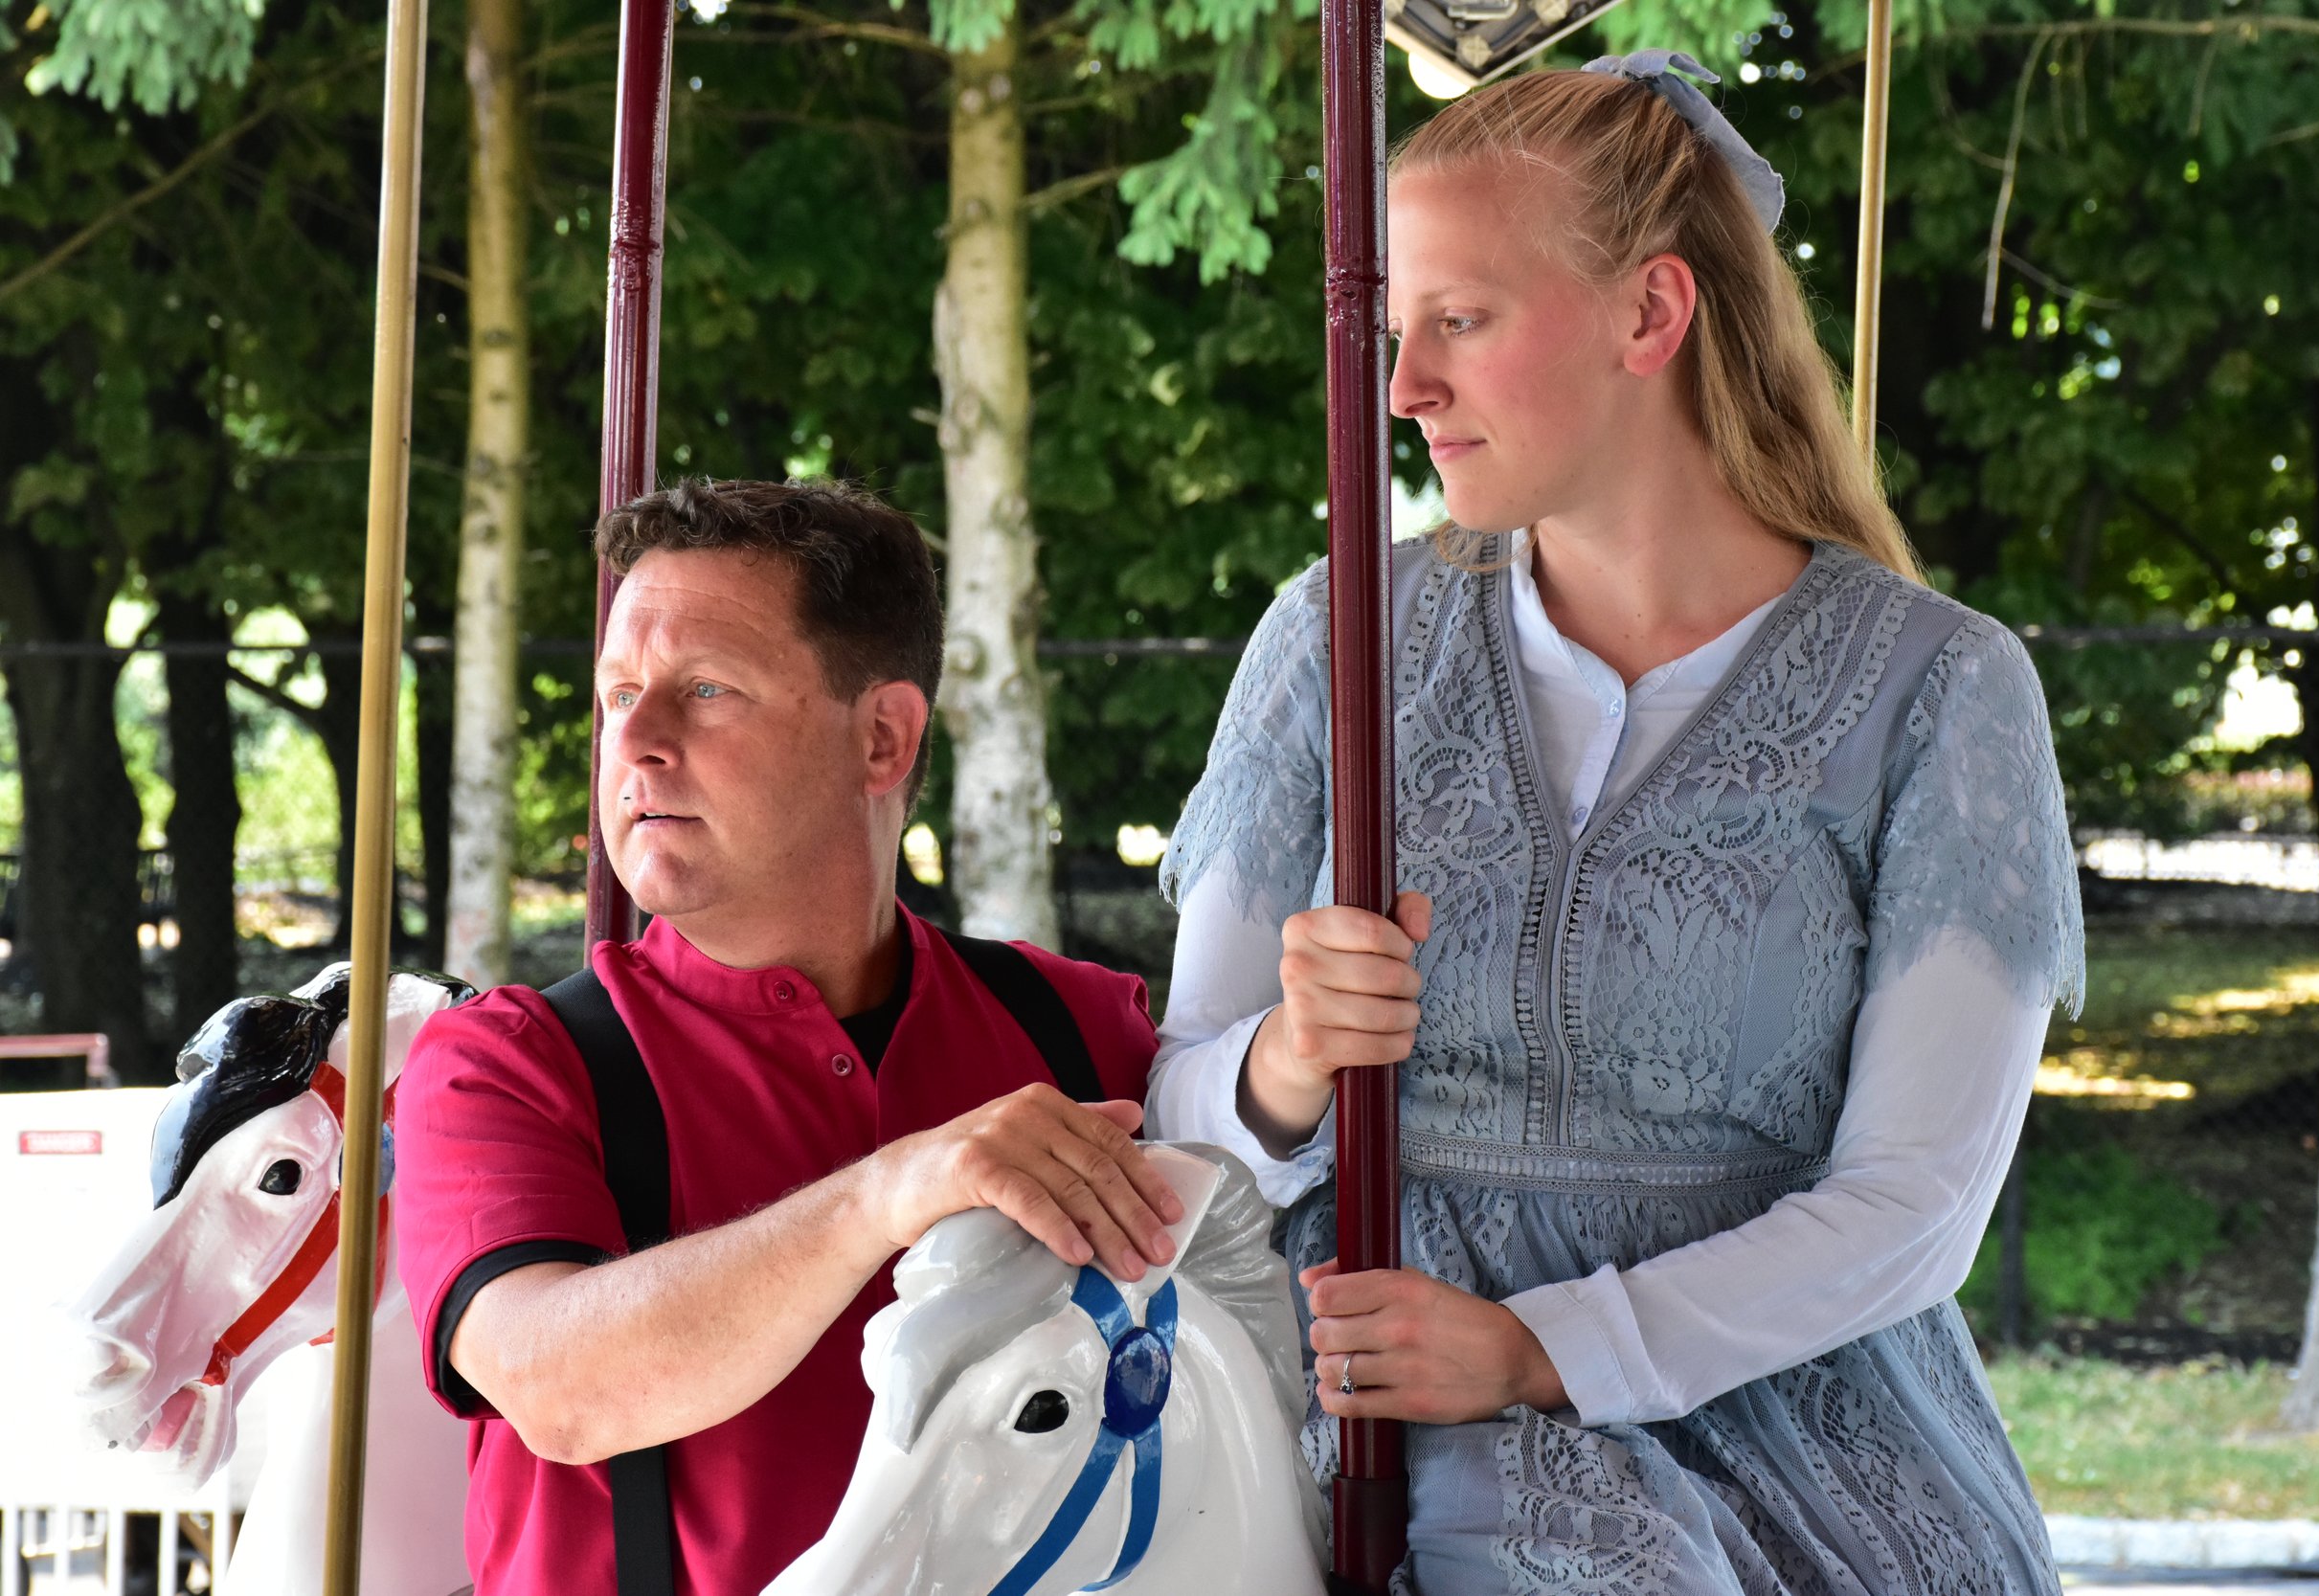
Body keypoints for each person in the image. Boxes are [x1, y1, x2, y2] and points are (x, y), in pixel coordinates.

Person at [1148, 52, 2083, 1596]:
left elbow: (1912, 1208)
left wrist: (1540, 1350)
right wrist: (1282, 1063)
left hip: (1786, 1428)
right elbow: (1180, 1115)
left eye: (1462, 318)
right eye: (1397, 331)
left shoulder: (1943, 688)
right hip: (1353, 1392)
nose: (1403, 390)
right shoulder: (1337, 637)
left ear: (1651, 314)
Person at [394, 478, 1182, 1596]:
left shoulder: (1081, 1029)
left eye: (708, 689)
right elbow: (560, 1387)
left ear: (883, 737)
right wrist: (893, 1187)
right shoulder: (508, 1059)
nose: (639, 740)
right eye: (620, 692)